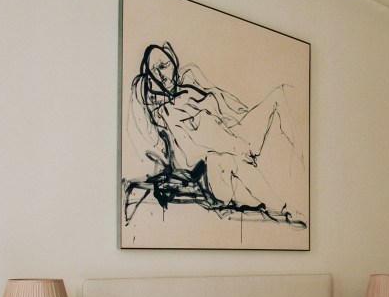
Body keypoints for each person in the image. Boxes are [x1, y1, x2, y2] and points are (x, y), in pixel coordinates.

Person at [124, 42, 306, 228]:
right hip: (219, 163)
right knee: (230, 161)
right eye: (155, 71)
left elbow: (223, 100)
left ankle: (302, 170)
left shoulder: (190, 79)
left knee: (280, 94)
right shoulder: (167, 111)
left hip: (237, 134)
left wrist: (239, 117)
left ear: (173, 60)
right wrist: (235, 146)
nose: (162, 75)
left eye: (164, 65)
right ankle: (281, 209)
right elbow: (189, 155)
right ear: (150, 77)